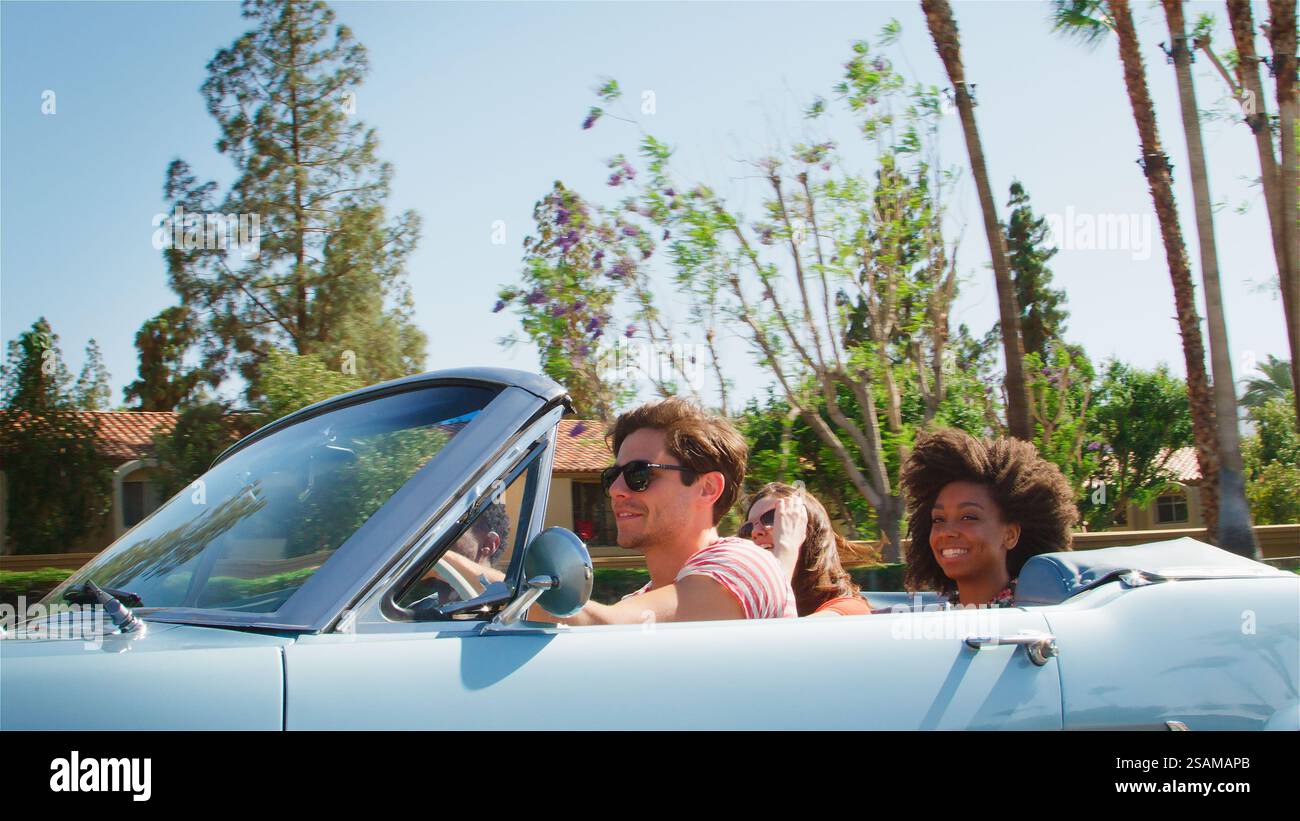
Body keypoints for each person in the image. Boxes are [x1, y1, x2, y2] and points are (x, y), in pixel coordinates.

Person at [540, 397, 796, 624]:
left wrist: (517, 588)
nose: (616, 489)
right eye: (612, 476)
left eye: (638, 474)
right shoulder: (637, 601)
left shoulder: (745, 566)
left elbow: (609, 629)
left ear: (707, 488)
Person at [899, 428, 1077, 607]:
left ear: (1010, 535)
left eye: (968, 517)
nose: (946, 532)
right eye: (938, 520)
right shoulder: (933, 617)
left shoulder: (1035, 614)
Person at [741, 482, 873, 617]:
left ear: (808, 530)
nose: (754, 532)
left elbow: (773, 628)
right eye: (747, 528)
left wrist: (786, 548)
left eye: (774, 518)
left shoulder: (849, 609)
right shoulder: (742, 602)